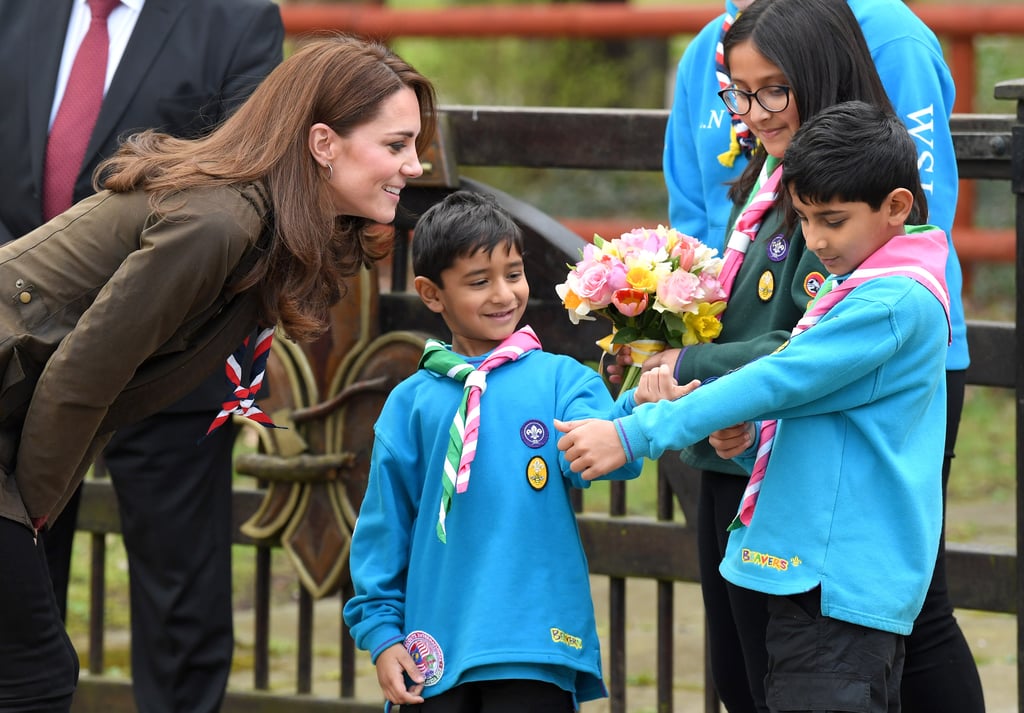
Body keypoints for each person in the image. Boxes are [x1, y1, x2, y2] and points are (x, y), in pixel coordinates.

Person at [0, 35, 437, 713]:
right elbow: (81, 379)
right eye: (396, 144)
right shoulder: (220, 221)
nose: (416, 163)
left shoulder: (260, 229)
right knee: (33, 675)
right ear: (324, 143)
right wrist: (31, 515)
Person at [627, 0, 984, 709]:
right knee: (745, 653)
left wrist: (686, 380)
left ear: (814, 77)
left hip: (849, 396)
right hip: (743, 406)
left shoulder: (850, 165)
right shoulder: (764, 163)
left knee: (882, 627)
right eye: (738, 92)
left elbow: (809, 347)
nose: (748, 111)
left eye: (769, 91)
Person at [560, 99, 952, 713]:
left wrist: (637, 434)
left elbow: (777, 378)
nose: (816, 240)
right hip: (815, 576)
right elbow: (828, 419)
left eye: (832, 219)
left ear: (896, 207)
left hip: (834, 585)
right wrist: (746, 436)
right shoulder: (871, 286)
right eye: (804, 220)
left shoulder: (891, 303)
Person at [0, 2, 284, 711]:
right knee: (17, 596)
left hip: (164, 354)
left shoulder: (235, 19)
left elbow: (250, 168)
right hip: (15, 351)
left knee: (180, 598)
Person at [342, 190, 645, 711]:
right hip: (434, 646)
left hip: (534, 642)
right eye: (479, 281)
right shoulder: (409, 403)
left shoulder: (561, 382)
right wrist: (382, 635)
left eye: (514, 273)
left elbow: (617, 453)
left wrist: (639, 404)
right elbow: (383, 527)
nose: (503, 294)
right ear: (431, 294)